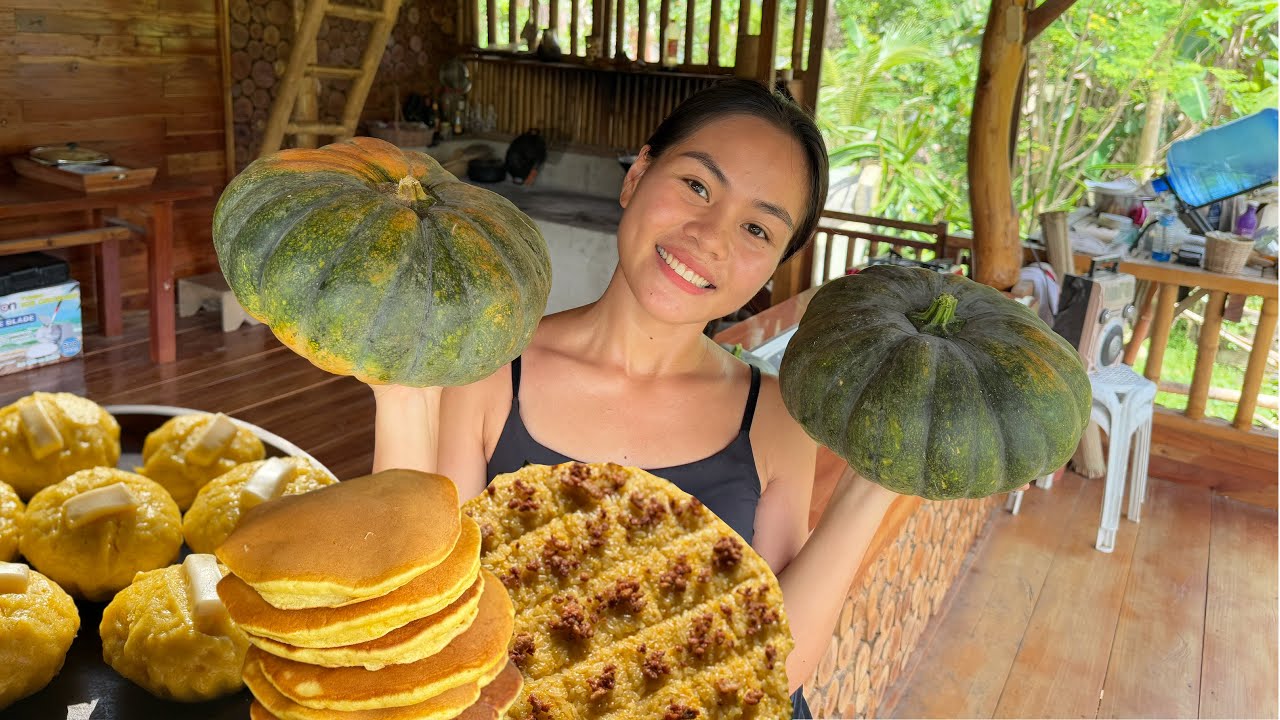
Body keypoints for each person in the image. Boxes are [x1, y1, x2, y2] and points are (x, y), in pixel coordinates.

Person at [369, 77, 901, 718]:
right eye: (698, 186)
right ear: (637, 176)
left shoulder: (775, 414)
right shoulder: (490, 368)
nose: (711, 236)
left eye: (758, 229)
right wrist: (395, 391)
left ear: (775, 265)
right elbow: (430, 599)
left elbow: (774, 662)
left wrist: (880, 481)